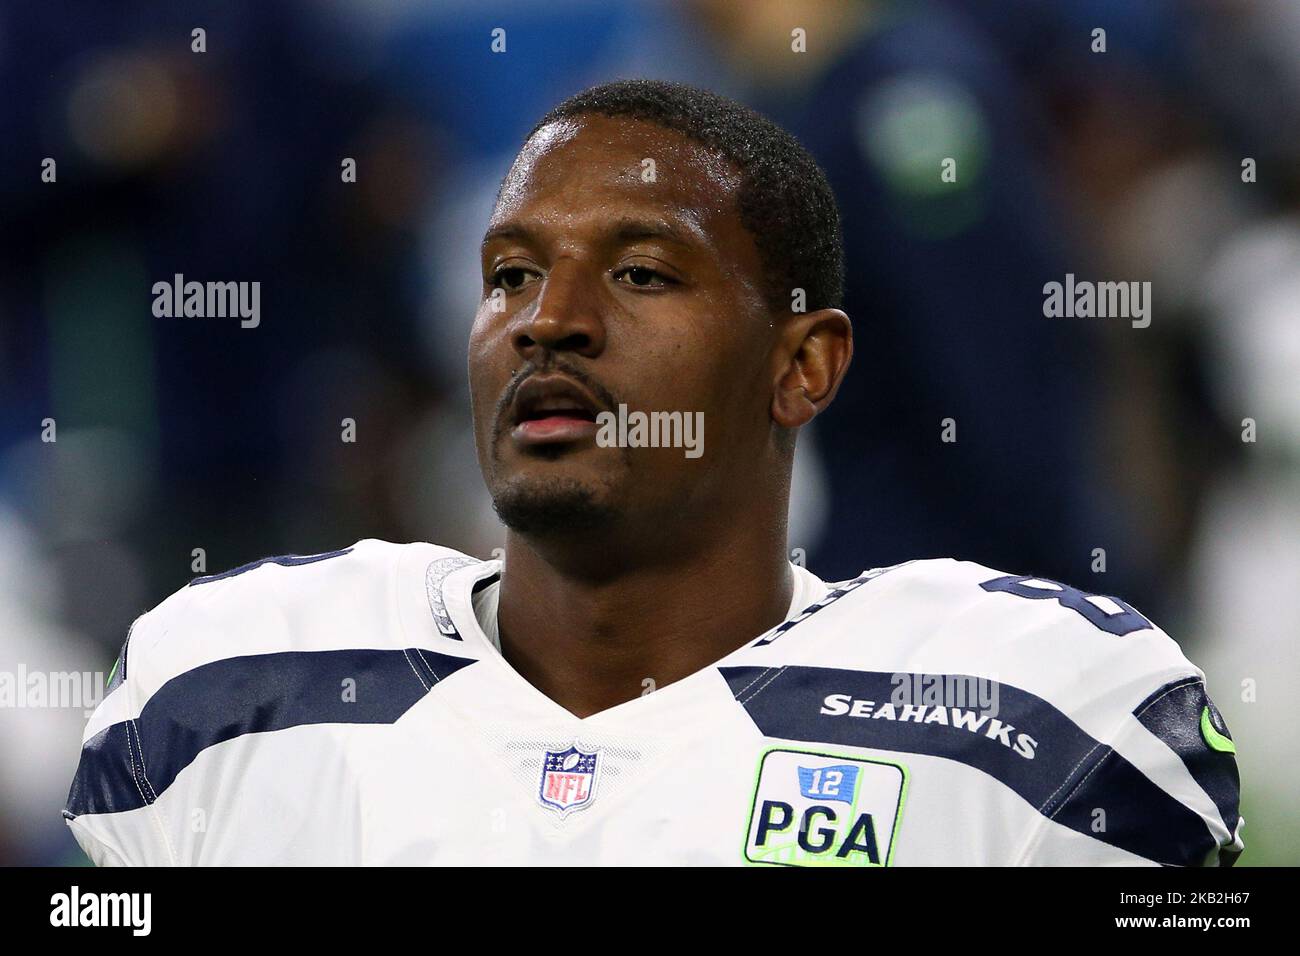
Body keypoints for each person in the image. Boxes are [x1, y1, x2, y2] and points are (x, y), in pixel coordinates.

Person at [64, 80, 1241, 866]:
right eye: (511, 274)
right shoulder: (224, 694)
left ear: (802, 365)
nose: (548, 321)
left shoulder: (1032, 726)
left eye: (639, 274)